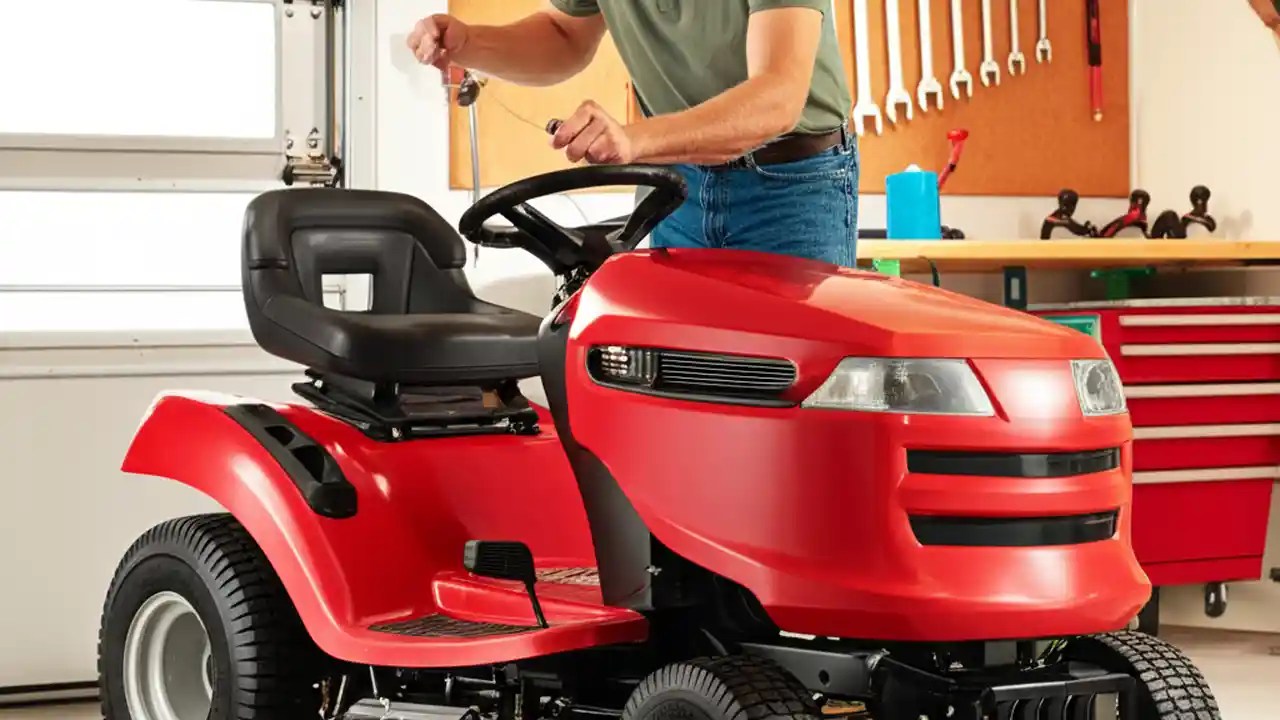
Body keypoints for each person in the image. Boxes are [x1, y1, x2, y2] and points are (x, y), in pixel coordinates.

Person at [407, 1, 858, 267]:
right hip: (681, 186)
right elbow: (565, 35)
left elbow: (778, 95)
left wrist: (634, 140)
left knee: (797, 397)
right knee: (682, 392)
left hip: (793, 184)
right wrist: (470, 43)